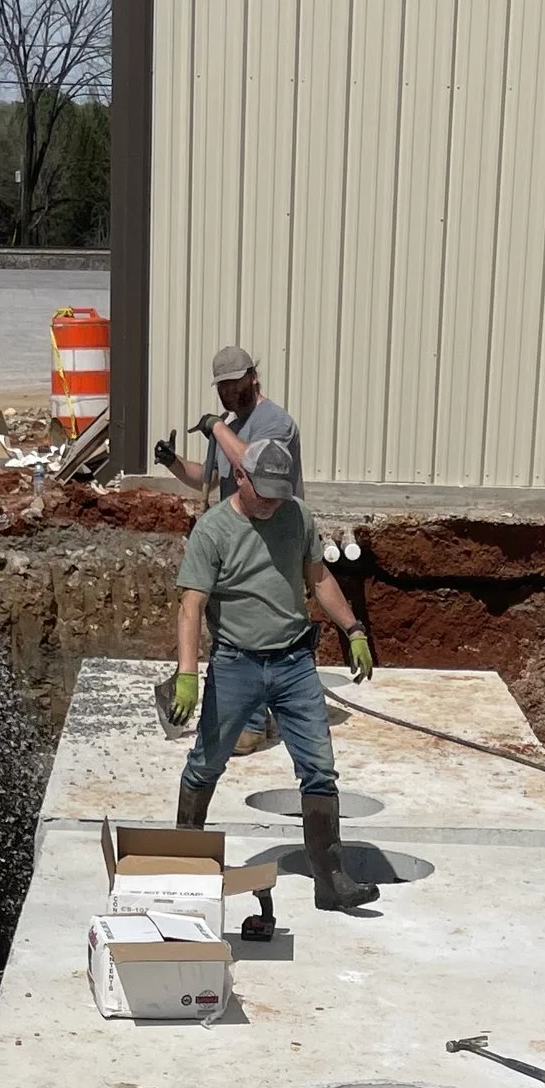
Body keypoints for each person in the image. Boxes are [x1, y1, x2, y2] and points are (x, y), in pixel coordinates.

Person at [168, 437, 379, 911]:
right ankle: (185, 860)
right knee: (207, 762)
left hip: (293, 665)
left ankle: (330, 879)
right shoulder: (213, 530)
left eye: (279, 494)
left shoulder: (297, 516)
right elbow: (192, 605)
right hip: (235, 664)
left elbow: (319, 578)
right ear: (240, 477)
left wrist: (354, 628)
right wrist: (187, 672)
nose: (272, 503)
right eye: (264, 493)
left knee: (319, 769)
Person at [155, 344, 300, 508]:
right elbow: (207, 478)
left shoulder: (275, 421)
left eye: (235, 381)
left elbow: (256, 469)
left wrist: (216, 426)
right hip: (239, 530)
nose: (228, 390)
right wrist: (173, 461)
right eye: (222, 384)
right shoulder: (230, 428)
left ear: (253, 377)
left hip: (274, 531)